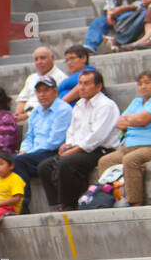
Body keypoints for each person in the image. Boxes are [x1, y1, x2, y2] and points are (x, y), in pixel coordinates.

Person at [36, 70, 119, 211]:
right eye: (80, 83)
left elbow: (97, 137)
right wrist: (67, 145)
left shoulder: (106, 105)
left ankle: (70, 204)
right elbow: (72, 130)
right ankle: (58, 203)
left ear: (98, 87)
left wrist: (73, 150)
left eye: (86, 84)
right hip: (79, 148)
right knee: (44, 166)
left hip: (100, 150)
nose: (81, 87)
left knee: (67, 163)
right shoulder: (79, 104)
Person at [88, 70, 151, 207]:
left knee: (131, 160)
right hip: (129, 147)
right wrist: (134, 119)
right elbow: (119, 123)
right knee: (105, 161)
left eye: (147, 83)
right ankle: (109, 198)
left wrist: (132, 118)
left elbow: (142, 120)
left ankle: (134, 202)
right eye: (140, 84)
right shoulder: (136, 102)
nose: (143, 87)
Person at [13, 77, 70, 206]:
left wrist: (29, 153)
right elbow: (29, 137)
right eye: (38, 91)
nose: (42, 94)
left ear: (55, 92)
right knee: (7, 160)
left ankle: (23, 205)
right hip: (35, 153)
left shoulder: (63, 110)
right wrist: (24, 150)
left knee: (18, 161)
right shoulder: (36, 111)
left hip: (53, 151)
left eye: (46, 90)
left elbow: (55, 141)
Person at [0, 151, 24, 260]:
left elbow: (16, 198)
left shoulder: (15, 179)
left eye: (1, 164)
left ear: (11, 165)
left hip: (10, 209)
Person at [13, 47, 66, 123]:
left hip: (45, 117)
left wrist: (27, 115)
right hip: (25, 116)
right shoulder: (31, 78)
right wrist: (18, 114)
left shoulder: (61, 78)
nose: (39, 62)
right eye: (36, 59)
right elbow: (22, 99)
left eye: (43, 58)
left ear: (52, 58)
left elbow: (52, 104)